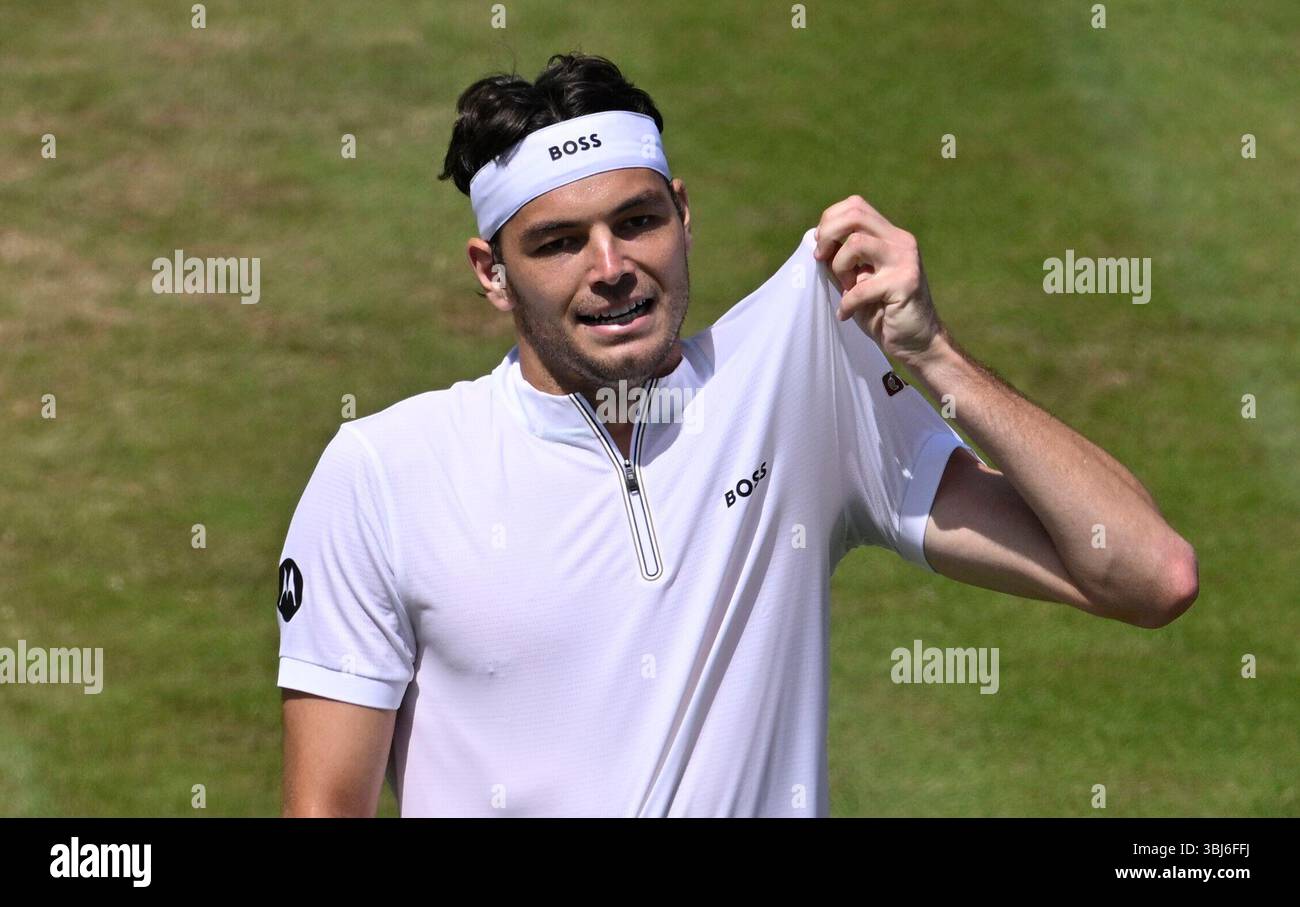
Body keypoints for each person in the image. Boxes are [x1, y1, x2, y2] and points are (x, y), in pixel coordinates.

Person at [277, 53, 1198, 817]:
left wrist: (939, 357)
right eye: (559, 242)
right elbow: (326, 808)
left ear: (683, 213)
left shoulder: (796, 387)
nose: (611, 269)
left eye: (637, 222)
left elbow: (1149, 574)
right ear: (491, 271)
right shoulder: (383, 473)